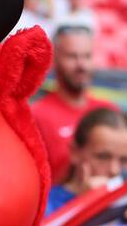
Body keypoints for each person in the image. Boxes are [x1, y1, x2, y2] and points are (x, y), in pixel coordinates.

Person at [29, 25, 117, 186]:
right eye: (72, 56)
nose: (81, 65)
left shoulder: (110, 110)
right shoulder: (36, 115)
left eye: (87, 56)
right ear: (54, 59)